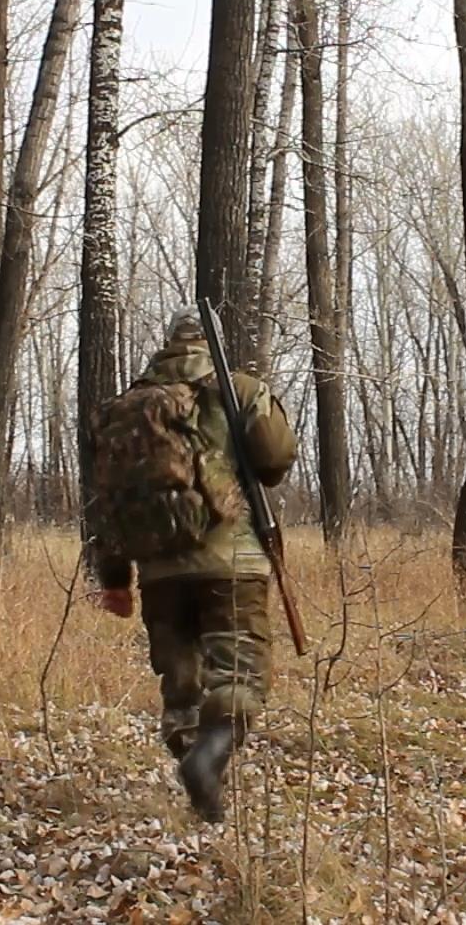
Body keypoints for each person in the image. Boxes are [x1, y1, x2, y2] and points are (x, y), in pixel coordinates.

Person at [91, 307, 297, 822]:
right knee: (240, 678)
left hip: (159, 570)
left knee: (181, 686)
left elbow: (108, 500)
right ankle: (208, 761)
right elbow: (274, 462)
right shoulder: (241, 389)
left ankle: (202, 789)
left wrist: (116, 578)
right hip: (232, 564)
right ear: (212, 343)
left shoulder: (127, 407)